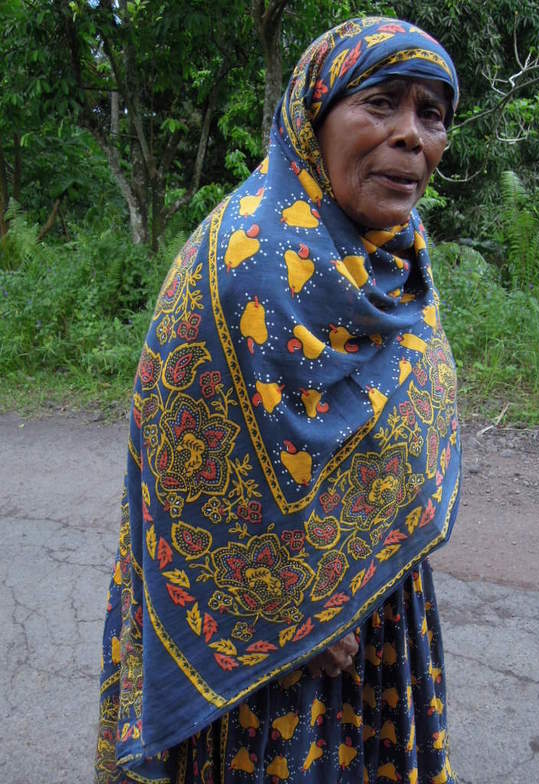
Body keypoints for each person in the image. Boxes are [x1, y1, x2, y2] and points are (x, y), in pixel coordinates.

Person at [95, 16, 461, 784]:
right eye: (383, 102)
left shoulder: (397, 261)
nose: (410, 136)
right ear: (312, 118)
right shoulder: (243, 260)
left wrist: (362, 574)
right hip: (269, 665)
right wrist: (300, 612)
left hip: (380, 613)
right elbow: (185, 473)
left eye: (432, 114)